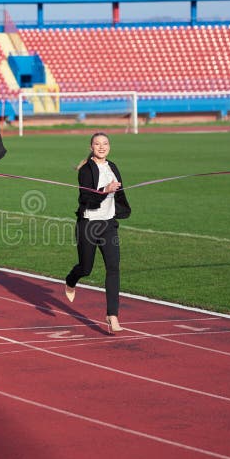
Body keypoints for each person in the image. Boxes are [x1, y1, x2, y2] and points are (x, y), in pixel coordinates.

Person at [64, 132, 131, 333]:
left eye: (105, 143)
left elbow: (119, 194)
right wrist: (106, 190)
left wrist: (116, 197)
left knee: (113, 267)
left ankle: (112, 315)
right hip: (89, 224)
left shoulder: (113, 167)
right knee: (86, 268)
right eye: (97, 144)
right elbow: (86, 199)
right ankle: (71, 280)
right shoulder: (85, 170)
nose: (102, 147)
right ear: (91, 146)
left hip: (108, 225)